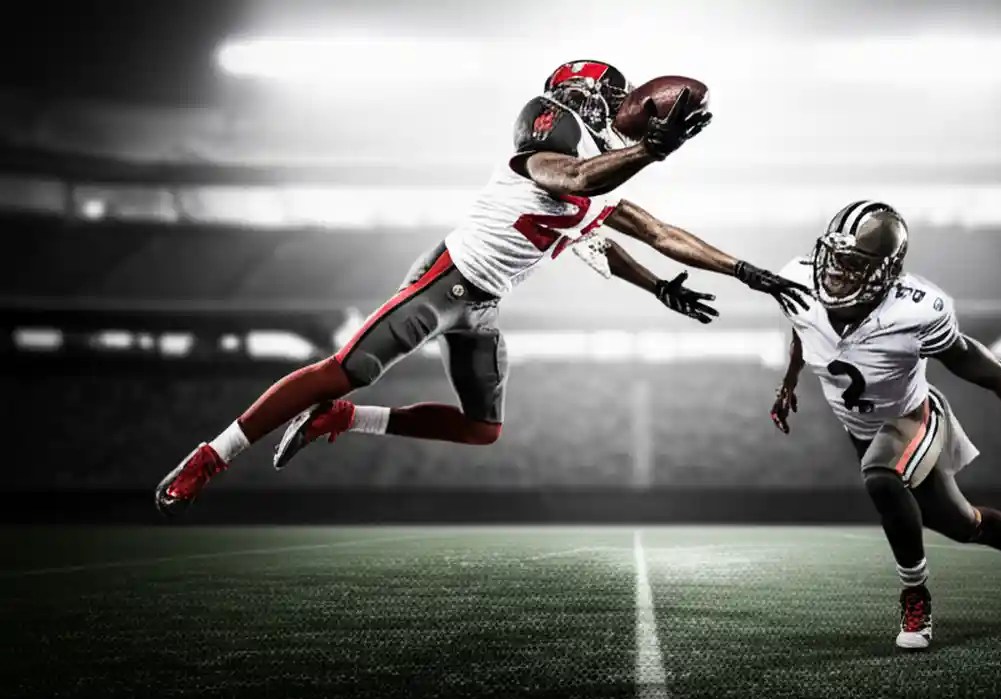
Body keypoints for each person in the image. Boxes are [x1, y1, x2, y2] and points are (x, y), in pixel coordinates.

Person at [155, 59, 810, 517]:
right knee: (347, 366)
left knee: (482, 430)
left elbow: (652, 235)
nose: (621, 104)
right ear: (576, 95)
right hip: (447, 279)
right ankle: (209, 458)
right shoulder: (551, 131)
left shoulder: (610, 170)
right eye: (610, 93)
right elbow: (576, 179)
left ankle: (343, 420)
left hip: (484, 306)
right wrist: (649, 153)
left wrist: (741, 273)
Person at [769, 200, 1001, 650]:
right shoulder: (797, 279)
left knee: (880, 477)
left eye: (853, 263)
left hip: (912, 416)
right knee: (962, 524)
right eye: (833, 257)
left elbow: (992, 372)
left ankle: (915, 598)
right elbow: (804, 330)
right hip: (861, 430)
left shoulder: (916, 310)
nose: (835, 273)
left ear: (886, 271)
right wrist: (788, 383)